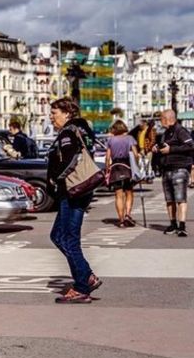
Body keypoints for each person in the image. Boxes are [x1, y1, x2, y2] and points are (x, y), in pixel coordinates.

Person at [46, 97, 101, 304]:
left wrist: (55, 177)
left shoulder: (69, 133)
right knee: (58, 235)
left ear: (67, 113)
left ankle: (81, 286)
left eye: (54, 113)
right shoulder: (82, 130)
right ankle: (86, 275)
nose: (51, 117)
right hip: (78, 190)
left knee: (68, 238)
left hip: (72, 191)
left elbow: (69, 159)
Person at [153, 109, 194, 237]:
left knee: (180, 198)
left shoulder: (180, 130)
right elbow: (164, 147)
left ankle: (182, 226)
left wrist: (171, 149)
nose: (160, 122)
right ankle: (173, 224)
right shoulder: (166, 133)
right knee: (169, 199)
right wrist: (157, 148)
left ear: (167, 118)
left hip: (180, 167)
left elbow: (190, 145)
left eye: (161, 119)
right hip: (167, 169)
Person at [105, 120, 140, 227]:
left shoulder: (110, 140)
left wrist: (107, 169)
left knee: (118, 195)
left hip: (115, 167)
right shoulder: (129, 138)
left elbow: (107, 157)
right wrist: (137, 166)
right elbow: (135, 154)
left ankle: (121, 220)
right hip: (126, 167)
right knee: (129, 192)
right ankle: (128, 215)